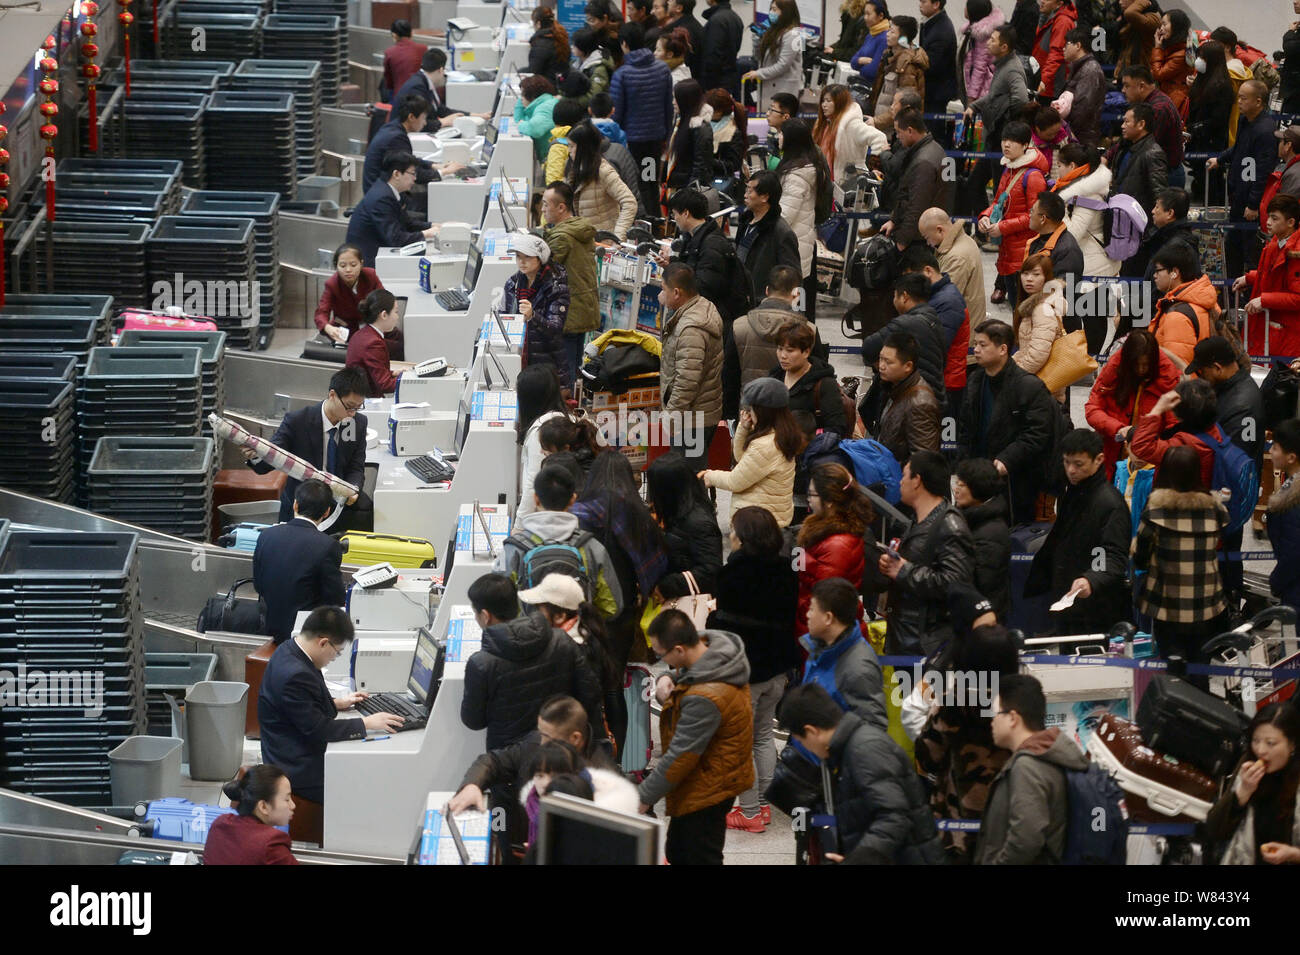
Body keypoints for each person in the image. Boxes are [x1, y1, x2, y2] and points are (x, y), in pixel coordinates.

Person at [259, 608, 400, 843]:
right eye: (336, 653)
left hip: (289, 746)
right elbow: (318, 730)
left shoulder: (290, 649)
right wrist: (365, 723)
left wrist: (336, 703)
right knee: (365, 779)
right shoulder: (295, 674)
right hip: (296, 764)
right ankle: (355, 843)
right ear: (323, 642)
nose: (333, 659)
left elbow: (299, 708)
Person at [777, 682, 944, 864]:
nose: (805, 747)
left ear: (811, 731)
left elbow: (894, 816)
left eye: (801, 740)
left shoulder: (864, 751)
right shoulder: (849, 748)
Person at [709, 506, 800, 831]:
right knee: (762, 736)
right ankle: (762, 803)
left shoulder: (733, 574)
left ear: (744, 536)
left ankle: (748, 812)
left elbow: (723, 624)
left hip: (743, 672)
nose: (730, 536)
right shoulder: (787, 571)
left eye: (733, 530)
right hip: (777, 667)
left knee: (738, 741)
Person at [639, 609, 754, 865]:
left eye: (661, 654)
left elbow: (680, 756)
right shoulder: (715, 656)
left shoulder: (706, 697)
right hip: (708, 778)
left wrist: (644, 797)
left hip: (708, 787)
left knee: (698, 856)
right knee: (679, 851)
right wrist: (667, 676)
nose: (658, 657)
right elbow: (688, 673)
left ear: (679, 650)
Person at [571, 452, 669, 747]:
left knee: (585, 682)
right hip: (624, 609)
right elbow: (657, 559)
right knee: (614, 683)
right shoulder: (636, 512)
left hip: (585, 609)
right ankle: (621, 753)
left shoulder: (580, 512)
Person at [913, 617, 1018, 862]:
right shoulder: (1021, 700)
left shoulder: (954, 704)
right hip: (1011, 819)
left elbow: (926, 756)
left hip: (958, 826)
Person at [462, 573, 606, 751]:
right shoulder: (561, 639)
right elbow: (590, 694)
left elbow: (474, 721)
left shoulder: (480, 663)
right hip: (561, 751)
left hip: (508, 760)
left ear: (485, 616)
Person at [1132, 445, 1230, 677]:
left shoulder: (1155, 510)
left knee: (1173, 672)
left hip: (1168, 607)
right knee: (1200, 669)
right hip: (1207, 604)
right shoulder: (1214, 509)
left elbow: (1141, 558)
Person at [448, 695, 597, 848]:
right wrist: (472, 785)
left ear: (575, 738)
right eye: (540, 733)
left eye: (546, 736)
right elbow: (492, 761)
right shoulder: (534, 745)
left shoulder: (600, 781)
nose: (541, 742)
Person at [973, 673, 1089, 864]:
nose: (991, 721)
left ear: (1012, 718)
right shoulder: (1047, 756)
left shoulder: (1028, 766)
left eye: (995, 713)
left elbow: (1026, 838)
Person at [1025, 428, 1132, 635]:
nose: (1071, 470)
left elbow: (1113, 555)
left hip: (1095, 606)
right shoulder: (1073, 490)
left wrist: (1091, 578)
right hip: (1068, 596)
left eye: (1079, 464)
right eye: (1066, 462)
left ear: (1099, 460)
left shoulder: (1110, 504)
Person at [958, 320, 1060, 525]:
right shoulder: (976, 380)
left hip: (1017, 482)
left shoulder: (1028, 386)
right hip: (979, 477)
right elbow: (965, 428)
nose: (975, 350)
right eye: (976, 344)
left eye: (983, 345)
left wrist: (1007, 459)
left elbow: (1037, 434)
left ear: (1003, 349)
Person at [243, 366, 370, 531]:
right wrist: (256, 455)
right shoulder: (298, 421)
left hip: (337, 508)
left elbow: (355, 466)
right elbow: (267, 462)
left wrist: (353, 489)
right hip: (302, 508)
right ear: (332, 395)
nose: (352, 413)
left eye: (358, 408)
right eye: (349, 406)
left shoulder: (355, 424)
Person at [1188, 335, 1264, 606]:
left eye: (1202, 370)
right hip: (1228, 491)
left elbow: (1234, 455)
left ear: (1218, 368)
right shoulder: (1230, 390)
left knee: (1226, 552)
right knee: (1228, 551)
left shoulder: (1242, 404)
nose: (1200, 375)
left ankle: (1228, 603)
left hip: (1229, 493)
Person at [876, 450, 975, 655]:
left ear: (917, 481)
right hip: (906, 638)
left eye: (904, 475)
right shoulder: (917, 521)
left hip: (928, 646)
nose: (900, 482)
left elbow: (955, 584)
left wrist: (902, 571)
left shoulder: (949, 525)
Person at [497, 463, 623, 621]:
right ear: (573, 499)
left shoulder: (514, 549)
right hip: (577, 640)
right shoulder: (591, 547)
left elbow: (499, 603)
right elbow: (612, 607)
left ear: (535, 498)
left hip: (529, 640)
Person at [700, 377, 804, 527]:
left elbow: (735, 481)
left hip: (757, 525)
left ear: (763, 412)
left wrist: (709, 476)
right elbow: (741, 458)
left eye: (752, 409)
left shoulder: (766, 445)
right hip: (769, 518)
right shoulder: (782, 433)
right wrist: (743, 429)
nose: (749, 413)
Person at [252, 480, 345, 645]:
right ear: (327, 512)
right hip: (306, 635)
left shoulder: (267, 535)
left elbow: (258, 585)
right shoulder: (328, 546)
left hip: (267, 629)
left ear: (295, 504)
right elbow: (335, 600)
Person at [1207, 703, 1300, 865]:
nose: (1261, 750)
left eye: (1270, 743)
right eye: (1255, 740)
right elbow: (1214, 831)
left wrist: (1293, 854)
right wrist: (1243, 791)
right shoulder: (1248, 763)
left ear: (1292, 745)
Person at [1084, 329, 1180, 479]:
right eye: (1137, 365)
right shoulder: (1114, 370)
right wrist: (1119, 428)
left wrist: (1151, 448)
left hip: (1150, 466)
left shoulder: (1167, 377)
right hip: (1112, 457)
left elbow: (1175, 427)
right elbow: (1092, 409)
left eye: (1146, 365)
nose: (1141, 370)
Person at [658, 263, 724, 467]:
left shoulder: (691, 330)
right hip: (700, 413)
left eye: (664, 289)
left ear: (676, 292)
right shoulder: (701, 305)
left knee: (687, 481)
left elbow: (687, 382)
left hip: (691, 419)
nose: (662, 294)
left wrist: (671, 417)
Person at [1209, 79, 1276, 277]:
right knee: (1233, 248)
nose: (1239, 102)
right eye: (1239, 97)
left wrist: (1253, 204)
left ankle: (1248, 296)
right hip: (1238, 193)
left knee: (1249, 251)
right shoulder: (1244, 120)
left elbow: (1263, 170)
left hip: (1250, 201)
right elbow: (1238, 148)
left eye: (1243, 98)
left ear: (1258, 101)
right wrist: (1220, 159)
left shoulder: (1265, 131)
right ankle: (1232, 293)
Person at [977, 120, 1047, 310]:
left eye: (1013, 141)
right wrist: (985, 216)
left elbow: (1034, 218)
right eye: (1004, 140)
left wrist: (1002, 227)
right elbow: (998, 202)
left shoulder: (1033, 176)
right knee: (1017, 309)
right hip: (1008, 248)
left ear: (1025, 145)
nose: (1006, 145)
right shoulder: (1010, 168)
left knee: (1024, 309)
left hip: (1024, 252)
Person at [796, 466, 874, 629]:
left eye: (812, 494)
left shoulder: (837, 546)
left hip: (826, 633)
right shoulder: (818, 527)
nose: (808, 498)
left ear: (829, 501)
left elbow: (825, 602)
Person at [610, 22, 675, 215]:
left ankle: (638, 225)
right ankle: (654, 222)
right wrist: (667, 135)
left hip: (630, 143)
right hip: (654, 140)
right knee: (649, 181)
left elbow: (617, 113)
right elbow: (668, 107)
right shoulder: (662, 69)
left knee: (630, 185)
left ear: (624, 44)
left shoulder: (622, 74)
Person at [541, 182, 599, 386]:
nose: (542, 210)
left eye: (546, 205)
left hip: (568, 311)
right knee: (573, 365)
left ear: (561, 207)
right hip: (581, 307)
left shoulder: (562, 237)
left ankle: (566, 412)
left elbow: (544, 272)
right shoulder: (579, 229)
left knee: (563, 371)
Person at [775, 119, 833, 320]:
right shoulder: (804, 165)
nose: (778, 137)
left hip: (794, 244)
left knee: (794, 309)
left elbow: (785, 216)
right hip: (800, 241)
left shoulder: (797, 175)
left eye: (781, 134)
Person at [646, 451, 724, 596]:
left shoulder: (699, 523)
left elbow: (711, 571)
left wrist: (666, 587)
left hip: (689, 603)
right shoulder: (672, 511)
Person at [861, 272, 948, 401]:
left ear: (904, 297)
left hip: (913, 396)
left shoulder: (905, 323)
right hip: (933, 394)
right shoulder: (935, 320)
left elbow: (868, 347)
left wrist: (880, 361)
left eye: (895, 295)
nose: (894, 300)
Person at [898, 248, 967, 408]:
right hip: (936, 379)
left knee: (944, 433)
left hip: (946, 384)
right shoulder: (935, 296)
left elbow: (934, 345)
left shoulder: (948, 302)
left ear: (928, 270)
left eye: (912, 277)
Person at [1131, 378, 1226, 492]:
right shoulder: (1214, 429)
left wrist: (1158, 409)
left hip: (1178, 503)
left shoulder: (1184, 445)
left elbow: (1141, 447)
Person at [1234, 194, 1300, 359]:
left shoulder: (1295, 253)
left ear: (1291, 222)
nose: (1268, 222)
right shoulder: (1278, 242)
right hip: (1273, 327)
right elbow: (1274, 276)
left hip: (1286, 332)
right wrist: (1250, 278)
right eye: (1269, 216)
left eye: (1274, 218)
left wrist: (1264, 300)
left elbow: (1298, 297)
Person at [344, 151, 437, 267]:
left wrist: (433, 226)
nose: (415, 178)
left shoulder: (388, 191)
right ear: (396, 174)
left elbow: (407, 223)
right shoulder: (382, 199)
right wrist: (427, 233)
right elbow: (396, 239)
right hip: (368, 263)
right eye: (413, 173)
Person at [773, 317, 850, 452]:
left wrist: (806, 442)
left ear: (806, 352)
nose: (783, 355)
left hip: (806, 457)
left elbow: (836, 429)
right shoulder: (775, 377)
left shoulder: (824, 384)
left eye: (790, 350)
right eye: (780, 349)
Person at [502, 232, 570, 385]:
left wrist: (533, 316)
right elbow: (504, 316)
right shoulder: (513, 284)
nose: (522, 262)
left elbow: (556, 328)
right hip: (518, 358)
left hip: (547, 364)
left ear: (540, 258)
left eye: (528, 257)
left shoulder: (556, 287)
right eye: (518, 256)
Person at [314, 242, 400, 359]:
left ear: (361, 264)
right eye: (343, 266)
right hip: (347, 330)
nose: (348, 270)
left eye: (353, 265)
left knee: (397, 339)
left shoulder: (370, 275)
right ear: (336, 266)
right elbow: (321, 313)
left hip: (372, 324)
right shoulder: (332, 284)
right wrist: (328, 328)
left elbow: (383, 298)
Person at [363, 95, 462, 192]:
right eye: (423, 118)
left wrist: (433, 165)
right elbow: (413, 173)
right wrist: (444, 172)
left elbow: (408, 160)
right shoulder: (396, 138)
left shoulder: (392, 127)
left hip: (377, 189)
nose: (425, 123)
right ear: (411, 117)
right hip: (382, 196)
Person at [882, 107, 947, 251]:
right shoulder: (937, 150)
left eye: (899, 132)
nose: (898, 137)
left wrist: (902, 241)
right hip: (928, 233)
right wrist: (894, 220)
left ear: (910, 131)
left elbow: (916, 206)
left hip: (920, 240)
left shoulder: (923, 162)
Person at [204, 765, 298, 865]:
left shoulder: (219, 824)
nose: (293, 805)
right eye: (287, 799)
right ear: (263, 807)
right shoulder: (271, 844)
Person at [870, 331, 941, 462]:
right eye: (880, 358)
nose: (881, 366)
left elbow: (922, 462)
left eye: (888, 362)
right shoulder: (891, 386)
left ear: (908, 366)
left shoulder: (920, 404)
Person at [953, 458, 1011, 619]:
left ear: (978, 488)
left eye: (962, 485)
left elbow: (981, 583)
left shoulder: (992, 533)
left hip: (982, 618)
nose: (956, 489)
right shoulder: (965, 518)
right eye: (957, 483)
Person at [734, 175, 801, 311]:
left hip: (763, 307)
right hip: (740, 301)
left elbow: (794, 278)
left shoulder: (782, 233)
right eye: (746, 189)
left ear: (765, 197)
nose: (745, 195)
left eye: (750, 191)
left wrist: (796, 313)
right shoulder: (746, 222)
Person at [1148, 241, 1217, 368]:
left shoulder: (1177, 316)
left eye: (1158, 270)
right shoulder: (1204, 300)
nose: (1154, 275)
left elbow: (1176, 370)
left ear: (1174, 272)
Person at [1053, 144, 1115, 282]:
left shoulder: (1089, 194)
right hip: (1087, 255)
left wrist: (1059, 207)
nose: (1058, 171)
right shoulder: (1081, 188)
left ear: (1072, 166)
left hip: (1093, 264)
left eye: (1059, 166)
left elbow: (1073, 234)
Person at [565, 120, 637, 239]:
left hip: (603, 245)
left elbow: (629, 202)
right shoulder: (574, 170)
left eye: (572, 146)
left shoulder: (603, 171)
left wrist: (617, 237)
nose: (569, 150)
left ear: (584, 147)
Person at [515, 364, 570, 520]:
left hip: (545, 517)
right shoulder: (562, 419)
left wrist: (519, 525)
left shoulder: (540, 432)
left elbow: (533, 480)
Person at [919, 208, 986, 332]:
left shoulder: (956, 257)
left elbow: (946, 300)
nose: (928, 243)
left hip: (963, 333)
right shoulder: (964, 240)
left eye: (927, 237)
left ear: (939, 230)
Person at [1010, 252, 1066, 400]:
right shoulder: (1036, 305)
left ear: (1046, 278)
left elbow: (1037, 355)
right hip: (1038, 384)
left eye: (1036, 274)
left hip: (1039, 387)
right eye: (1025, 273)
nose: (1029, 279)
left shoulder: (1042, 309)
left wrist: (1014, 374)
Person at [1118, 64, 1186, 188]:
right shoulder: (1148, 104)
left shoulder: (1158, 108)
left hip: (1164, 176)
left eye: (1127, 86)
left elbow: (1145, 144)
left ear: (1141, 86)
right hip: (1157, 172)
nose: (1123, 90)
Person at [963, 23, 1028, 146]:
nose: (988, 43)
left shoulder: (1011, 69)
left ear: (1004, 47)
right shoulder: (1002, 64)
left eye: (993, 40)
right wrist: (974, 107)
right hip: (994, 135)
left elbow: (1021, 99)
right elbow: (995, 94)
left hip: (1001, 136)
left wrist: (1004, 118)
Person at [813, 83, 889, 184]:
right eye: (823, 100)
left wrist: (873, 167)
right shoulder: (825, 123)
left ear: (839, 102)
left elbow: (879, 138)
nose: (824, 105)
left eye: (828, 101)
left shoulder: (851, 124)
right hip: (824, 181)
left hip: (845, 184)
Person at [1105, 102, 1168, 217]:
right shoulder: (1125, 146)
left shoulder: (1153, 153)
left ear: (1141, 124)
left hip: (1138, 219)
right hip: (1121, 215)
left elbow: (1159, 193)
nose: (1122, 126)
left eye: (1127, 122)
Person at [1123, 187, 1198, 280]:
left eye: (1157, 207)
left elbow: (1159, 284)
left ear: (1170, 213)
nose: (1153, 211)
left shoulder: (1176, 246)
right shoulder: (1161, 236)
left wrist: (1144, 294)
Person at [743, 0, 804, 112]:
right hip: (769, 86)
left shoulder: (794, 35)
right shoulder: (773, 31)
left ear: (786, 12)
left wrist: (759, 73)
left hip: (784, 89)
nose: (771, 12)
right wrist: (757, 40)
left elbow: (783, 65)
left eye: (775, 9)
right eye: (771, 9)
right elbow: (759, 58)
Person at [389, 48, 470, 131]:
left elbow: (439, 109)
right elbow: (418, 123)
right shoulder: (417, 87)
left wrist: (472, 115)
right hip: (402, 136)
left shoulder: (424, 81)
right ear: (441, 70)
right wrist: (443, 122)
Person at [1052, 26, 1105, 149]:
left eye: (1067, 44)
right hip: (1075, 136)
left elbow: (1083, 108)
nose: (1063, 48)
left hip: (1082, 139)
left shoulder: (1090, 70)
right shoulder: (1078, 68)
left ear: (1078, 45)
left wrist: (1065, 130)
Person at [345, 288, 405, 397]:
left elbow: (371, 372)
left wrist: (392, 373)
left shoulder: (363, 333)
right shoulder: (373, 343)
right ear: (384, 315)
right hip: (365, 402)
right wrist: (410, 380)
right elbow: (385, 385)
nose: (397, 317)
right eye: (396, 312)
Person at [1266, 419, 1300, 611]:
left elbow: (1295, 551)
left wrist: (1277, 581)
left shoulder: (1294, 501)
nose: (1270, 451)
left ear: (1291, 457)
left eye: (1276, 447)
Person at [663, 79, 714, 201]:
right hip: (677, 186)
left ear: (686, 101)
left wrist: (689, 195)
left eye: (676, 99)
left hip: (689, 193)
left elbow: (700, 166)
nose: (673, 103)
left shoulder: (700, 128)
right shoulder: (681, 121)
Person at [1024, 190, 1084, 286]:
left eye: (1032, 211)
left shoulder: (1068, 250)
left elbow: (1066, 292)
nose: (1029, 215)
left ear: (1043, 218)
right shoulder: (1035, 241)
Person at [870, 15, 929, 110]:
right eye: (888, 30)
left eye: (892, 32)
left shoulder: (908, 66)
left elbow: (903, 107)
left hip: (896, 123)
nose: (887, 34)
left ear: (903, 39)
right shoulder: (888, 55)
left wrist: (878, 121)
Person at [958, 0, 1004, 106]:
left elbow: (979, 68)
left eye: (967, 7)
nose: (965, 9)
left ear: (974, 11)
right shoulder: (972, 30)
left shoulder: (982, 35)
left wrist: (971, 97)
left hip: (981, 90)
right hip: (974, 86)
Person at [1151, 8, 1192, 118]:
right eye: (1161, 25)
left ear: (1176, 26)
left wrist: (1157, 48)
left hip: (1174, 102)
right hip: (1167, 98)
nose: (1161, 29)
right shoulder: (1172, 48)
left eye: (1164, 24)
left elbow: (1158, 74)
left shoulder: (1181, 54)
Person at [1030, 0, 1076, 100]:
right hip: (1043, 81)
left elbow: (1056, 55)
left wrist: (1043, 81)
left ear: (1059, 3)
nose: (1042, 1)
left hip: (1050, 87)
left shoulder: (1062, 22)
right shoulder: (1048, 16)